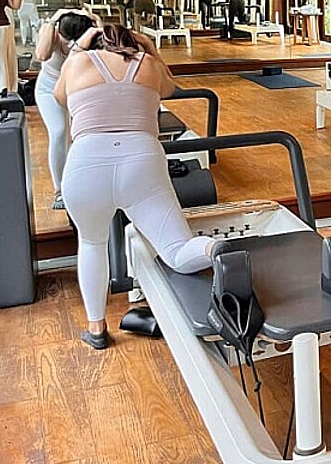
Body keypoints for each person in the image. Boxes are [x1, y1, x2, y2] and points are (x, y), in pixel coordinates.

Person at [54, 23, 217, 349]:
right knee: (176, 250)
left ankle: (96, 328)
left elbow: (60, 96)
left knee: (91, 243)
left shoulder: (77, 63)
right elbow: (170, 87)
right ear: (134, 42)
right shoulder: (149, 65)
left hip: (86, 164)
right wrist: (148, 48)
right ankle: (216, 250)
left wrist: (79, 48)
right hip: (141, 162)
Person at [34, 8, 101, 211]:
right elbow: (41, 54)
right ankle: (59, 190)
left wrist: (97, 23)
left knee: (81, 136)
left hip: (77, 89)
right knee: (59, 132)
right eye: (65, 40)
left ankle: (84, 181)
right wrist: (54, 19)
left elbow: (108, 53)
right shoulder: (52, 33)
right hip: (49, 90)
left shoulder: (87, 38)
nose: (68, 45)